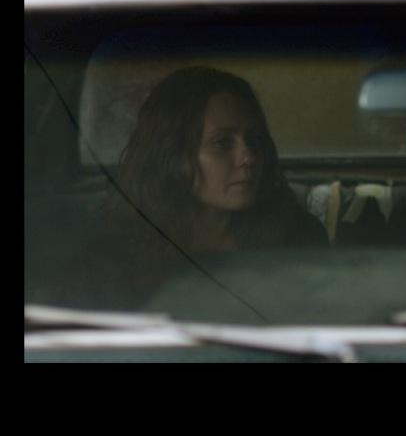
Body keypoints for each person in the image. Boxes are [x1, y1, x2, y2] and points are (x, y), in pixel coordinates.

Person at [102, 66, 325, 295]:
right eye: (223, 143)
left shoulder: (298, 237)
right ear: (173, 155)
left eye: (253, 139)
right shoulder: (116, 251)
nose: (249, 157)